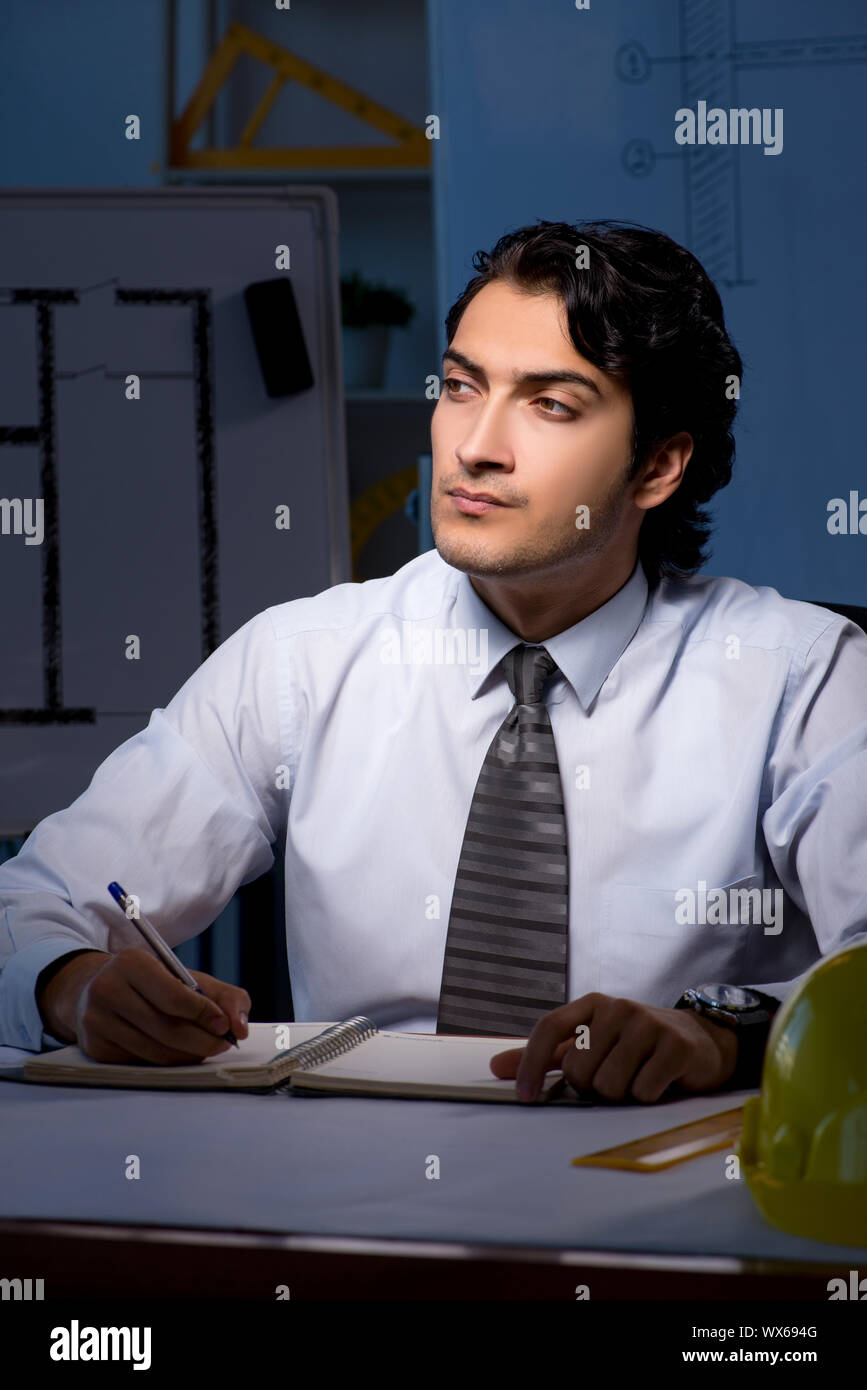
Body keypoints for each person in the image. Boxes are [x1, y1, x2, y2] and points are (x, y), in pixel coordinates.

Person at [1, 219, 865, 1105]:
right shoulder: (301, 660)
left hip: (656, 1195)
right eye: (460, 386)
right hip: (344, 1197)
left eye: (550, 405)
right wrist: (71, 984)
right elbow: (31, 901)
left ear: (658, 465)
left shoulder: (798, 677)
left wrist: (720, 1031)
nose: (473, 445)